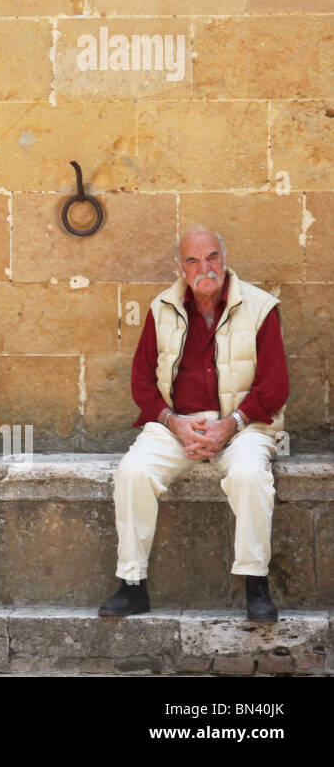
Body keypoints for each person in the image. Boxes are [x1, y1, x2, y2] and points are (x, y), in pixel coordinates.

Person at [100, 227, 288, 622]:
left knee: (251, 476)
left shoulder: (261, 307)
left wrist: (229, 425)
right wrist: (174, 422)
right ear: (180, 268)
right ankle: (132, 585)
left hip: (244, 424)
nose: (205, 268)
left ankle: (256, 585)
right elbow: (142, 382)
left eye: (212, 257)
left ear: (225, 257)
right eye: (193, 260)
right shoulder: (162, 308)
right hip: (177, 424)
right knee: (133, 472)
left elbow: (274, 388)